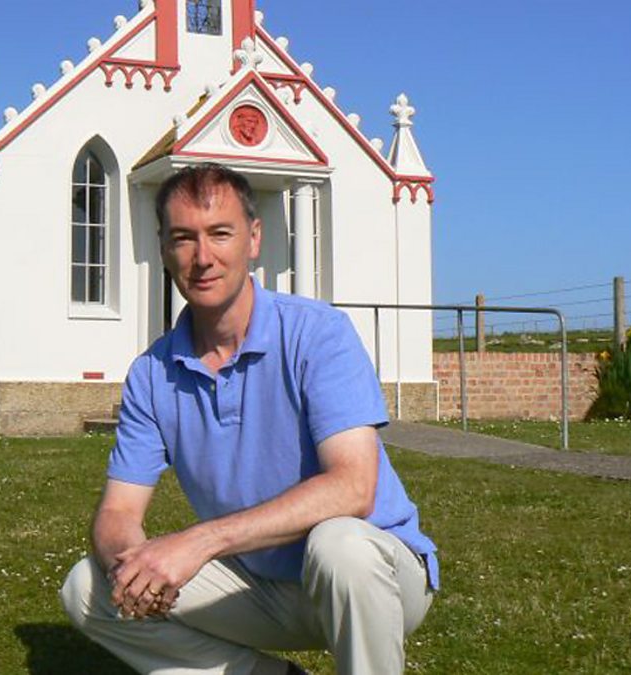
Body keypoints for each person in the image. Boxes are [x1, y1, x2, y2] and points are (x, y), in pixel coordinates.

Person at [61, 164, 438, 674]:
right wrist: (133, 565)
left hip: (374, 578)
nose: (202, 258)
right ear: (163, 247)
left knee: (339, 544)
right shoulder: (151, 374)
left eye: (220, 234)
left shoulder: (318, 334)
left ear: (254, 238)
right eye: (183, 238)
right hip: (261, 587)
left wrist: (200, 541)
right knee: (89, 588)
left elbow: (354, 488)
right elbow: (117, 513)